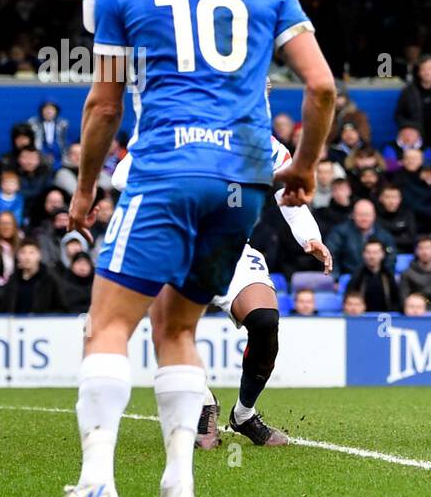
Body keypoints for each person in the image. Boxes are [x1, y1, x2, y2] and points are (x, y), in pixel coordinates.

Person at [27, 0, 335, 497]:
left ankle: (96, 480)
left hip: (167, 168)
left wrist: (82, 190)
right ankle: (176, 489)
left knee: (107, 327)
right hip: (245, 181)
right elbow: (321, 89)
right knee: (178, 329)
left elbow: (104, 102)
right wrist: (305, 167)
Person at [112, 128, 333, 450]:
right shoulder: (181, 130)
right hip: (177, 249)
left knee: (265, 321)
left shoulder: (266, 145)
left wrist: (308, 237)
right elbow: (121, 177)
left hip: (232, 250)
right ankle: (203, 403)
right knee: (173, 330)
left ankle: (244, 415)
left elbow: (290, 195)